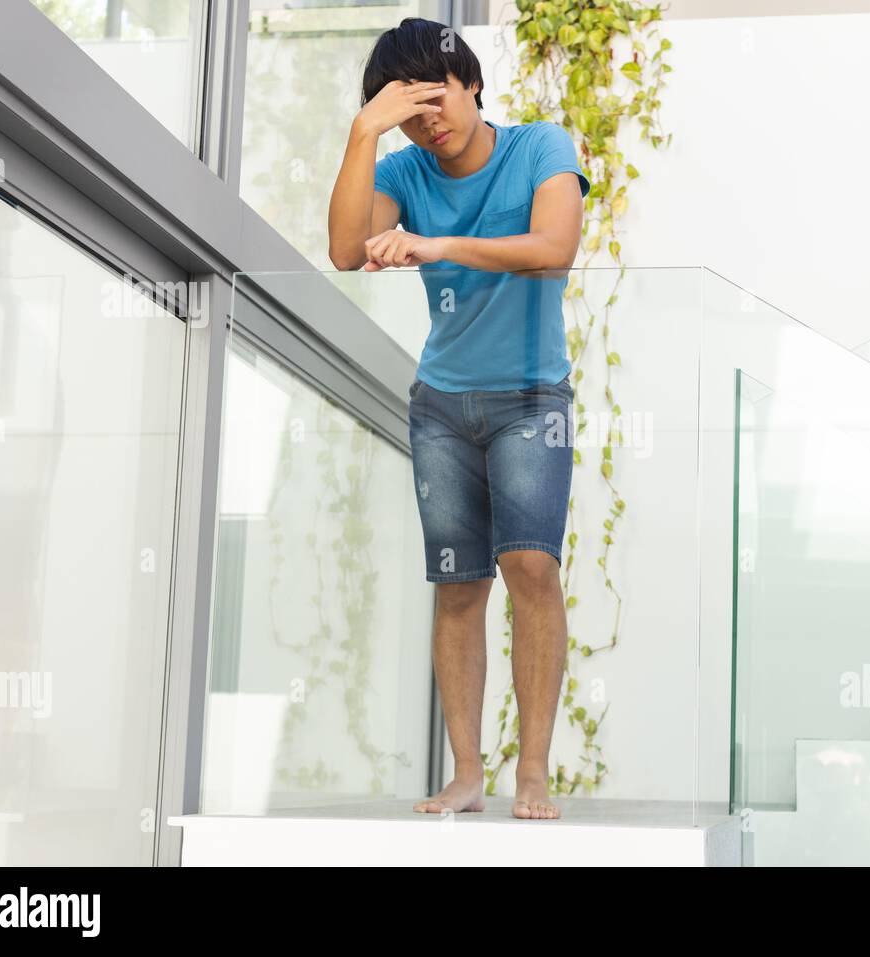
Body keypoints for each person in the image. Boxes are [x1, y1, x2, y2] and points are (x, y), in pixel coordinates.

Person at [327, 17, 591, 821]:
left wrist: (437, 245)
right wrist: (363, 131)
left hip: (530, 399)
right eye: (407, 114)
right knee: (457, 586)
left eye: (434, 99)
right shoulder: (404, 167)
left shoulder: (542, 147)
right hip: (439, 405)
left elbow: (554, 246)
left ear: (471, 83)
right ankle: (468, 772)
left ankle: (535, 772)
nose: (427, 122)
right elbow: (345, 249)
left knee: (532, 570)